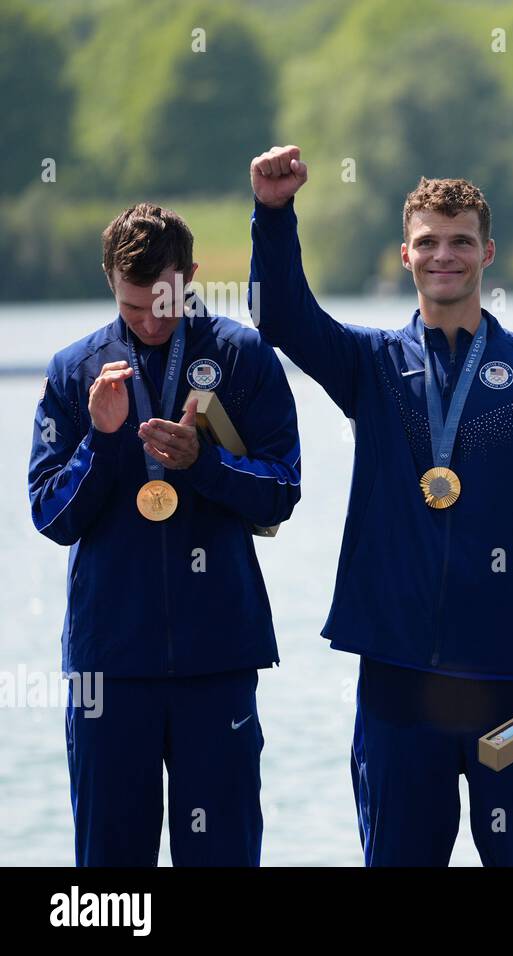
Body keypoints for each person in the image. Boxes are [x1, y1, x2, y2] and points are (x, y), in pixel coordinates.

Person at [247, 146, 513, 866]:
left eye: (459, 242)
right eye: (428, 242)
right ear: (405, 253)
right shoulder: (371, 366)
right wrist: (273, 213)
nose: (443, 255)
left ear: (487, 252)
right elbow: (283, 316)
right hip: (399, 678)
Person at [28, 203, 302, 865]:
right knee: (112, 873)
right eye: (132, 307)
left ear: (193, 276)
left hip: (218, 658)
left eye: (165, 303)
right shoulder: (76, 369)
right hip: (110, 667)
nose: (151, 322)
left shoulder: (241, 355)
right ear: (110, 286)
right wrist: (101, 441)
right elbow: (51, 517)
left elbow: (282, 490)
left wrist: (202, 464)